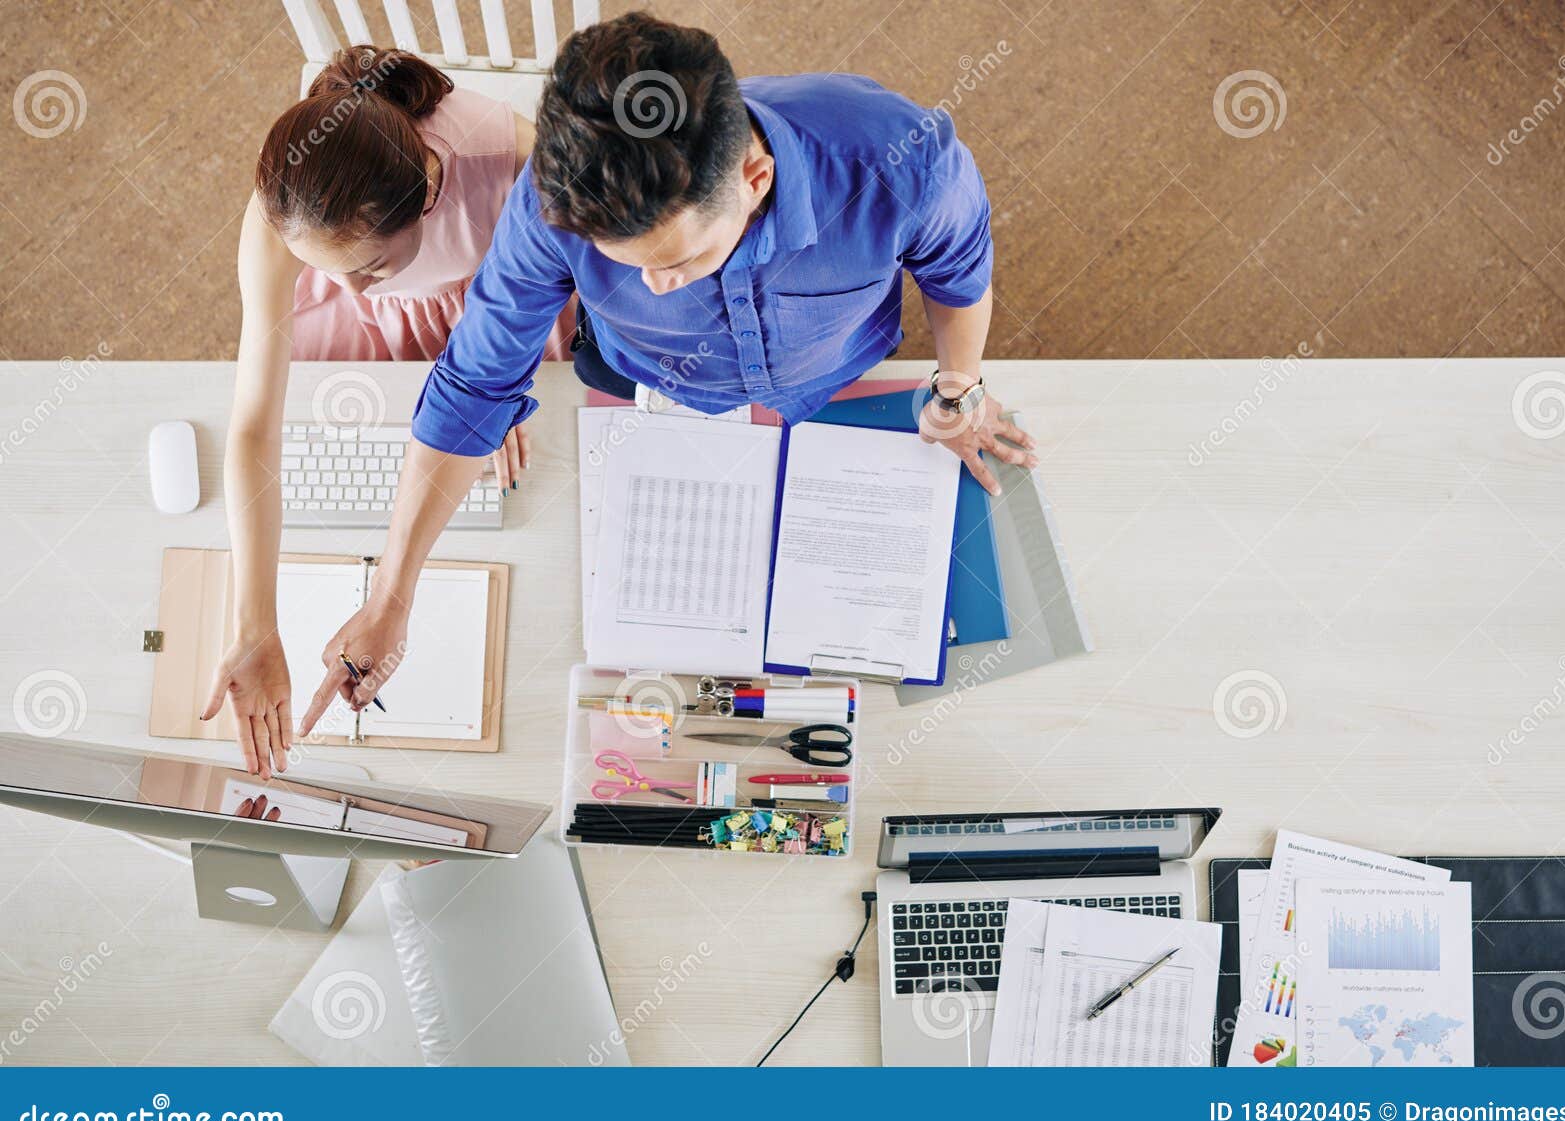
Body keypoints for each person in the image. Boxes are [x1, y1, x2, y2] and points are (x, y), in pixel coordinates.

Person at [298, 12, 1037, 734]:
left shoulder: (898, 159)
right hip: (646, 382)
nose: (654, 287)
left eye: (678, 260)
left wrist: (958, 387)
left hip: (837, 370)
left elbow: (958, 269)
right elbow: (473, 385)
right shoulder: (551, 202)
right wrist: (391, 597)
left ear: (754, 178)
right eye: (627, 263)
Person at [205, 46, 568, 776]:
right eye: (325, 270)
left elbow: (550, 277)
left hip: (493, 296)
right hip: (398, 318)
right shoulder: (291, 207)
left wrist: (500, 382)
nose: (353, 292)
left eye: (369, 267)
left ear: (428, 193)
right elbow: (252, 426)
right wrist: (255, 624)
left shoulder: (516, 162)